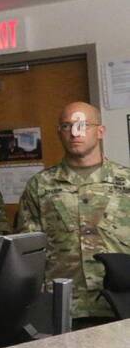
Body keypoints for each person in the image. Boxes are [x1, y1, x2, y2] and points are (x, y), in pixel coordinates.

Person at [16, 102, 130, 326]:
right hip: (63, 306)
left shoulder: (126, 182)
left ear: (100, 131)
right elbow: (27, 252)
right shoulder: (40, 185)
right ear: (59, 132)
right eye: (67, 126)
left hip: (121, 303)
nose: (74, 132)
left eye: (83, 125)